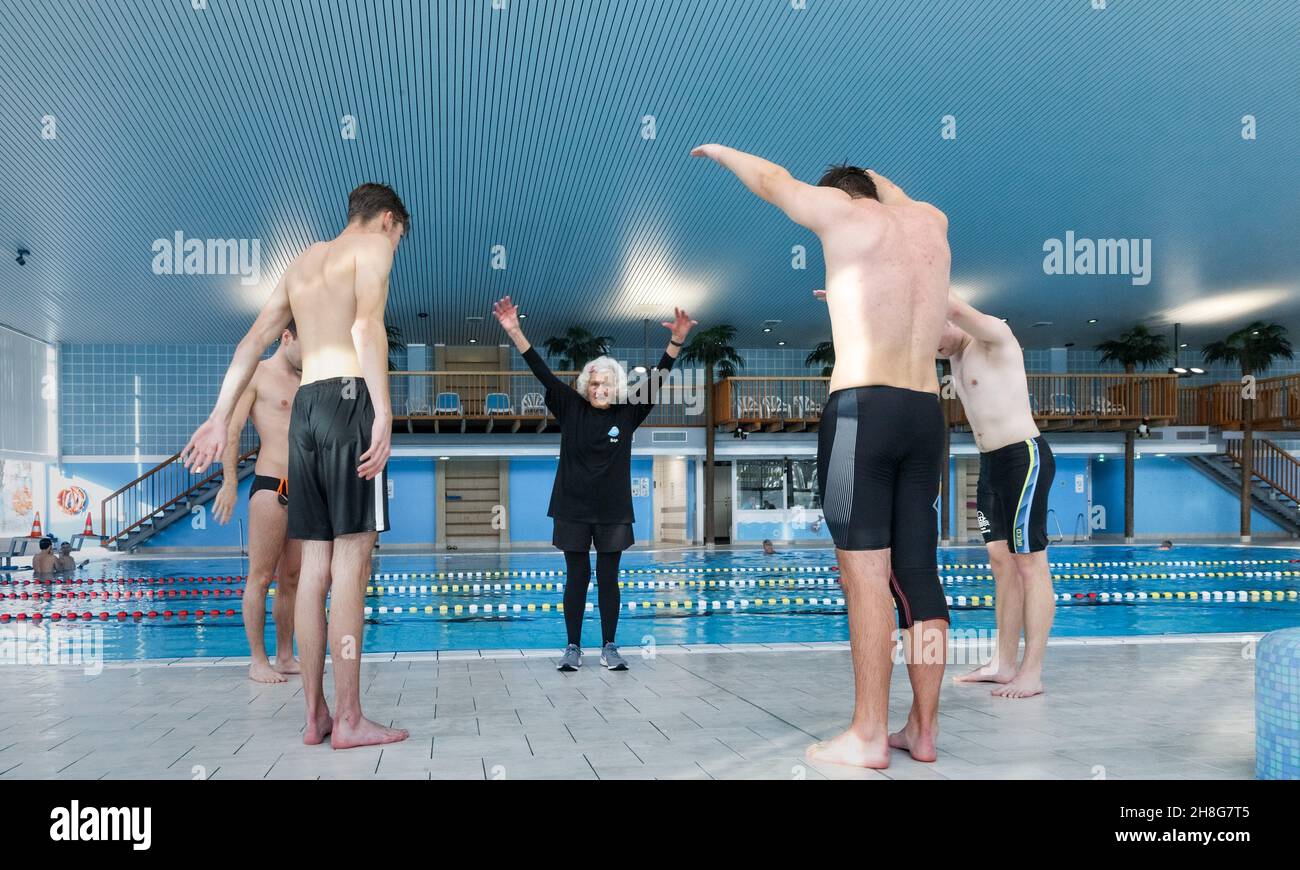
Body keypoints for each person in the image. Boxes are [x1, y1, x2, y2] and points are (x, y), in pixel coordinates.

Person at [694, 146, 950, 768]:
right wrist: (871, 172)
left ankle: (867, 733)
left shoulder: (841, 213)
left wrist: (720, 152)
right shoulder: (930, 221)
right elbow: (892, 195)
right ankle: (922, 732)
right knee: (918, 575)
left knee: (864, 573)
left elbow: (774, 179)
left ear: (839, 194)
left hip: (863, 413)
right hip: (927, 414)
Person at [182, 182, 409, 749]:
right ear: (387, 221)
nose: (396, 246)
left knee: (312, 569)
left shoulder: (304, 260)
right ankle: (352, 720)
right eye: (400, 236)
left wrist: (217, 416)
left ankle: (315, 717)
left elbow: (251, 341)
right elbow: (365, 328)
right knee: (351, 564)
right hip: (348, 399)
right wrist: (383, 412)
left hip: (306, 410)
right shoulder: (373, 248)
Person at [493, 295, 695, 671]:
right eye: (595, 383)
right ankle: (572, 646)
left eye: (607, 384)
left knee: (608, 578)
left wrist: (677, 340)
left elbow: (659, 377)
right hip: (571, 508)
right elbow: (542, 372)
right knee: (576, 577)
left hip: (613, 512)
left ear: (616, 386)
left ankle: (609, 646)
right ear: (586, 385)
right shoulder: (570, 407)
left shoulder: (629, 412)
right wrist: (515, 331)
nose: (600, 389)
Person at [940, 296, 1057, 699]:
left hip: (1022, 457)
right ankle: (1003, 663)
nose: (928, 343)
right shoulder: (953, 356)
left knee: (1030, 565)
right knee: (1000, 562)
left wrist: (881, 284)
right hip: (990, 464)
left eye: (930, 330)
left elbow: (948, 305)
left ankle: (1032, 672)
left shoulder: (992, 335)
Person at [212, 322, 304, 683]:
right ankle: (257, 661)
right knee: (261, 577)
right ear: (287, 337)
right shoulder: (257, 374)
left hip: (305, 489)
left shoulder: (307, 381)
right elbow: (232, 431)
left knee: (292, 579)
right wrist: (230, 483)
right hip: (270, 485)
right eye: (306, 346)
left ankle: (285, 655)